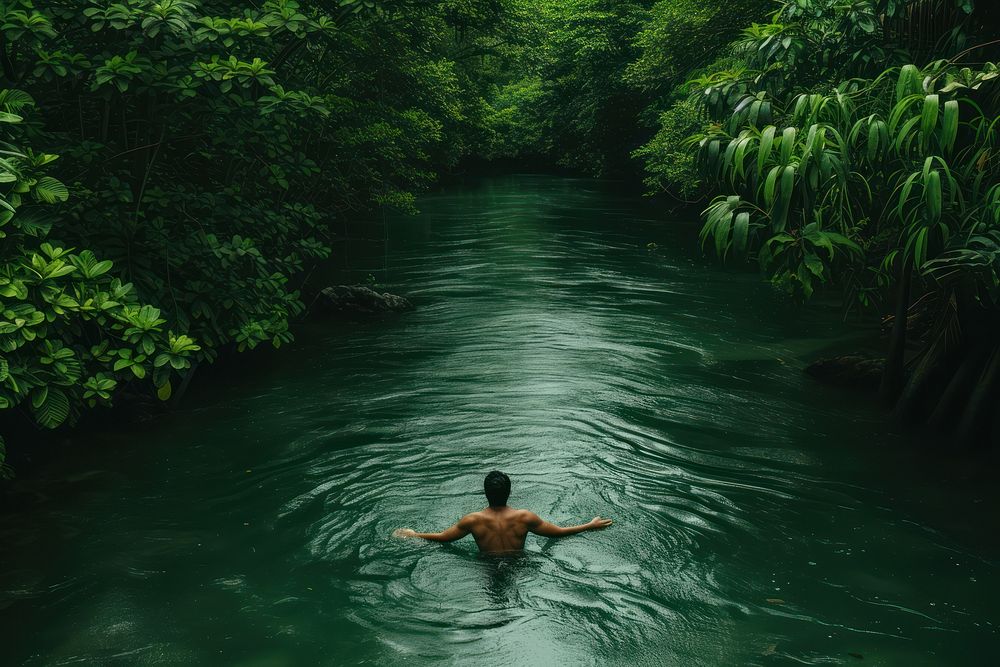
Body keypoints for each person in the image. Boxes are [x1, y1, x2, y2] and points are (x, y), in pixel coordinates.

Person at [393, 470, 612, 554]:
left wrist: (413, 535)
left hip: (487, 566)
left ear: (485, 493)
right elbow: (557, 532)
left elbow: (443, 539)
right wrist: (589, 525)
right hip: (519, 563)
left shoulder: (473, 520)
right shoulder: (525, 517)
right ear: (509, 492)